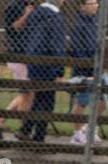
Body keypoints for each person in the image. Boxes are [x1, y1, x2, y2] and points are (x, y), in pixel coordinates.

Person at [17, 0, 64, 144]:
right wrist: (59, 70)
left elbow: (26, 36)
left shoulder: (35, 14)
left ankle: (30, 132)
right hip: (48, 63)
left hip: (33, 61)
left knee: (39, 98)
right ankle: (35, 135)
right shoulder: (55, 17)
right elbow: (57, 44)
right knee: (47, 101)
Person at [67, 0, 108, 145]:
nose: (94, 6)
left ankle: (90, 129)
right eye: (90, 3)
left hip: (98, 68)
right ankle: (77, 134)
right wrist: (88, 69)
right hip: (85, 70)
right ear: (82, 6)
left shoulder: (95, 21)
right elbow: (77, 51)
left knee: (107, 96)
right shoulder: (79, 25)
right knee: (83, 101)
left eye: (96, 3)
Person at [1, 1, 35, 132]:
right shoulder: (13, 6)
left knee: (27, 93)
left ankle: (0, 119)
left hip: (28, 55)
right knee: (28, 94)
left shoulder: (29, 4)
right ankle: (23, 130)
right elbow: (14, 27)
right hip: (17, 55)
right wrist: (26, 14)